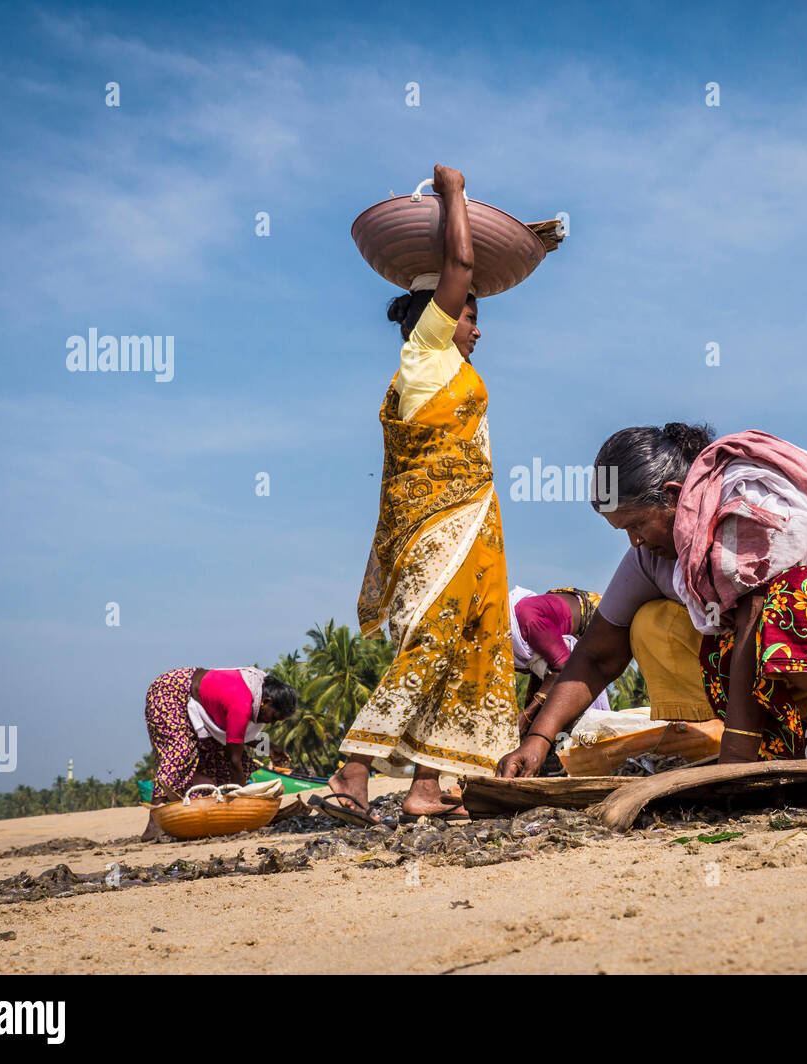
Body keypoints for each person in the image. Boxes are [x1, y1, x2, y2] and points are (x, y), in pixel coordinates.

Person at [498, 423, 807, 777]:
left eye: (635, 524)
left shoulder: (748, 510)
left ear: (675, 495)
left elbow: (758, 619)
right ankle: (796, 746)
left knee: (790, 605)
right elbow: (596, 654)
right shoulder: (654, 557)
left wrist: (737, 753)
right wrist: (539, 741)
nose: (633, 541)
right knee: (650, 622)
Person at [322, 164, 517, 825]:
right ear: (436, 318)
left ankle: (426, 790)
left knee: (463, 653)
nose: (477, 329)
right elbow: (460, 260)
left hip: (472, 532)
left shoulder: (445, 369)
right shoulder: (426, 357)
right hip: (440, 535)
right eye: (469, 314)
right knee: (430, 645)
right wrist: (454, 192)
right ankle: (353, 772)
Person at [141, 666, 297, 840]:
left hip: (197, 701)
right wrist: (245, 801)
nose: (273, 723)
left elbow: (233, 733)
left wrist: (269, 747)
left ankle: (198, 814)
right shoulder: (243, 704)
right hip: (170, 692)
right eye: (274, 717)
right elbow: (234, 759)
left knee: (216, 763)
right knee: (182, 751)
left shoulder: (258, 692)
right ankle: (153, 823)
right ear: (266, 701)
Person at [510, 586, 610, 737]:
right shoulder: (509, 636)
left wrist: (527, 714)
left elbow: (562, 668)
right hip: (555, 628)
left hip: (599, 622)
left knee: (577, 728)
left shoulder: (528, 621)